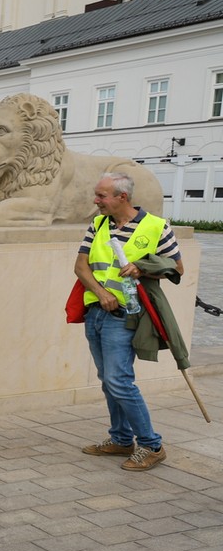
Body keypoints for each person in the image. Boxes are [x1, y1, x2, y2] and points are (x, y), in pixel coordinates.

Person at [74, 173, 182, 471]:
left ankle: (152, 445)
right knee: (108, 381)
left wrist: (143, 267)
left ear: (122, 197)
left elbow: (176, 268)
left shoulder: (156, 227)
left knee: (119, 381)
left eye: (101, 196)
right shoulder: (98, 224)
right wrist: (100, 293)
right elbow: (81, 266)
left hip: (126, 316)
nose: (96, 201)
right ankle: (121, 439)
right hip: (96, 311)